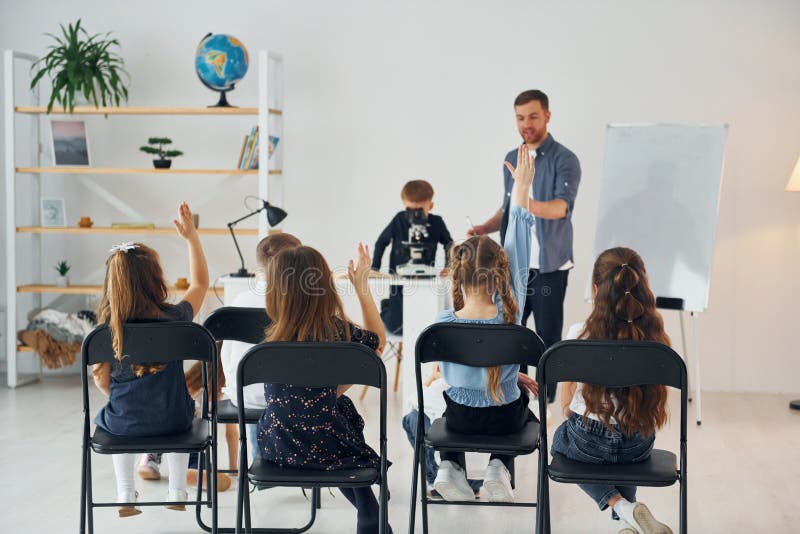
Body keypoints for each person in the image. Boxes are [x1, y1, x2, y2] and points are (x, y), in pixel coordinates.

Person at [256, 243, 391, 534]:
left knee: (332, 406)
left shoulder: (267, 345)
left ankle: (367, 505)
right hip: (329, 447)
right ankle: (368, 505)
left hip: (279, 446)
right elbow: (377, 343)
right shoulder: (337, 332)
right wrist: (361, 288)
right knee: (338, 411)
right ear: (326, 288)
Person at [432, 145, 539, 503]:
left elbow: (452, 374)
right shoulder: (513, 313)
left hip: (460, 420)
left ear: (457, 275)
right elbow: (519, 241)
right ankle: (498, 468)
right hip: (505, 419)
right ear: (502, 273)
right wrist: (521, 188)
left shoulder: (443, 324)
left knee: (433, 402)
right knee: (522, 403)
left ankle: (449, 467)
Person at [92, 202, 207, 517]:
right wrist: (191, 238)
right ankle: (177, 490)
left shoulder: (106, 329)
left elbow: (103, 382)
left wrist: (126, 395)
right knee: (184, 413)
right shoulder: (176, 317)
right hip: (173, 421)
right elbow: (199, 285)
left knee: (117, 419)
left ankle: (125, 494)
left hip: (125, 424)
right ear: (156, 281)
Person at [469, 89, 581, 402]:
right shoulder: (511, 157)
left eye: (532, 116)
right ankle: (516, 395)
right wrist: (486, 227)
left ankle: (544, 401)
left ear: (547, 115)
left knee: (546, 337)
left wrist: (522, 201)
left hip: (549, 265)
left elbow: (561, 207)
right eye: (520, 117)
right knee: (511, 333)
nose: (526, 123)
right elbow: (508, 207)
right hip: (512, 264)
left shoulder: (565, 159)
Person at [552, 247, 673, 534]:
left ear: (597, 290)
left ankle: (622, 507)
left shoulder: (578, 335)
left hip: (590, 442)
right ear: (641, 288)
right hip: (638, 445)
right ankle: (628, 520)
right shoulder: (654, 337)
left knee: (560, 441)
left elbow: (568, 407)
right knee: (629, 427)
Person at [372, 179, 453, 334]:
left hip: (426, 282)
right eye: (410, 209)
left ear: (431, 206)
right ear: (404, 205)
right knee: (397, 328)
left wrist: (449, 267)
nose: (415, 215)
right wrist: (374, 268)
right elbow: (381, 242)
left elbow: (449, 244)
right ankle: (387, 307)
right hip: (398, 279)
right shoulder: (399, 220)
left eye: (420, 210)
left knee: (425, 325)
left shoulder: (436, 222)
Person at [400, 364, 482, 499]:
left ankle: (435, 481)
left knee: (411, 418)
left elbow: (413, 401)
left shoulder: (442, 385)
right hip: (474, 437)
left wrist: (433, 378)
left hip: (448, 437)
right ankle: (472, 484)